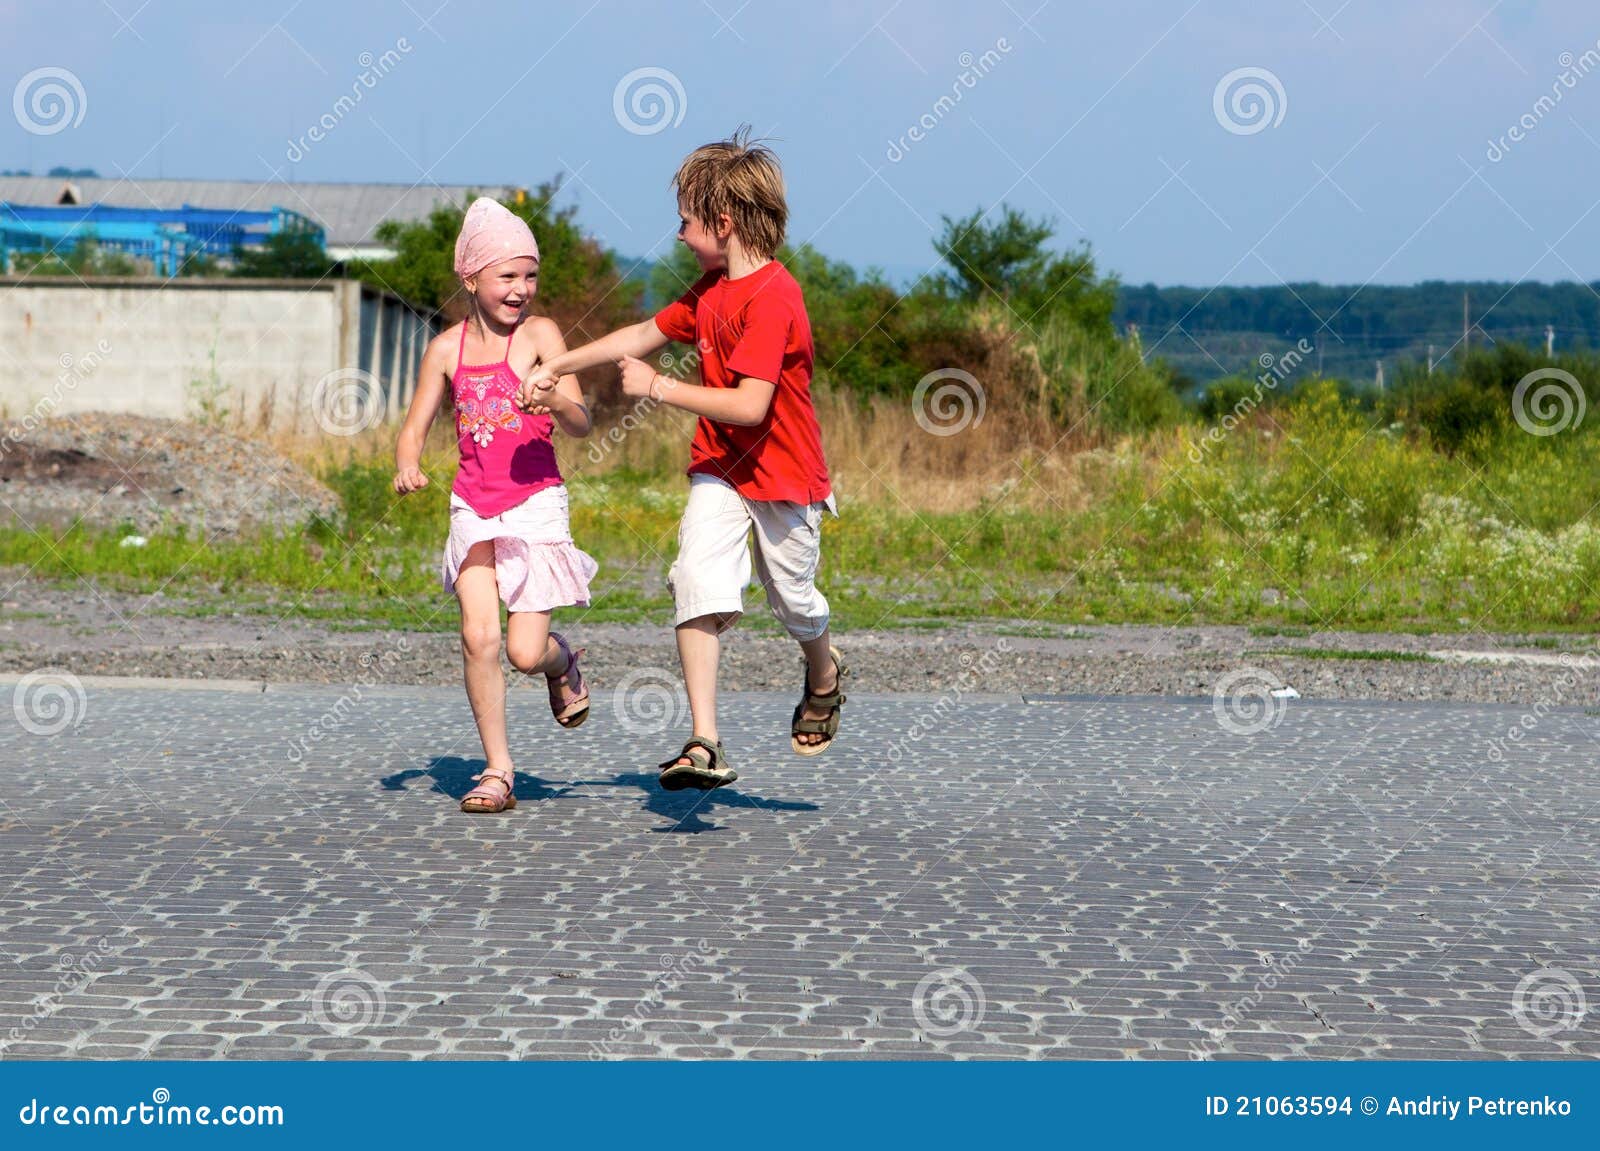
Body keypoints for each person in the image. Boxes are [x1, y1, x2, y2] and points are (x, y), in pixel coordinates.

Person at [518, 131, 845, 791]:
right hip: (720, 467)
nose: (678, 234)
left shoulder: (775, 298)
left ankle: (824, 670)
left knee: (794, 601)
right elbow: (638, 336)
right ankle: (704, 741)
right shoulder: (709, 289)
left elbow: (751, 405)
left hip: (783, 475)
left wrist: (659, 388)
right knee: (695, 576)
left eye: (686, 222)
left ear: (722, 224)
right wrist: (557, 362)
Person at [393, 197, 598, 813]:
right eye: (507, 276)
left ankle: (563, 661)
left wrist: (556, 403)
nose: (522, 289)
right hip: (472, 506)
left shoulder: (541, 336)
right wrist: (408, 464)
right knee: (478, 636)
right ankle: (497, 769)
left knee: (522, 652)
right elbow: (414, 426)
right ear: (471, 278)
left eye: (530, 276)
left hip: (536, 502)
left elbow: (583, 421)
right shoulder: (446, 350)